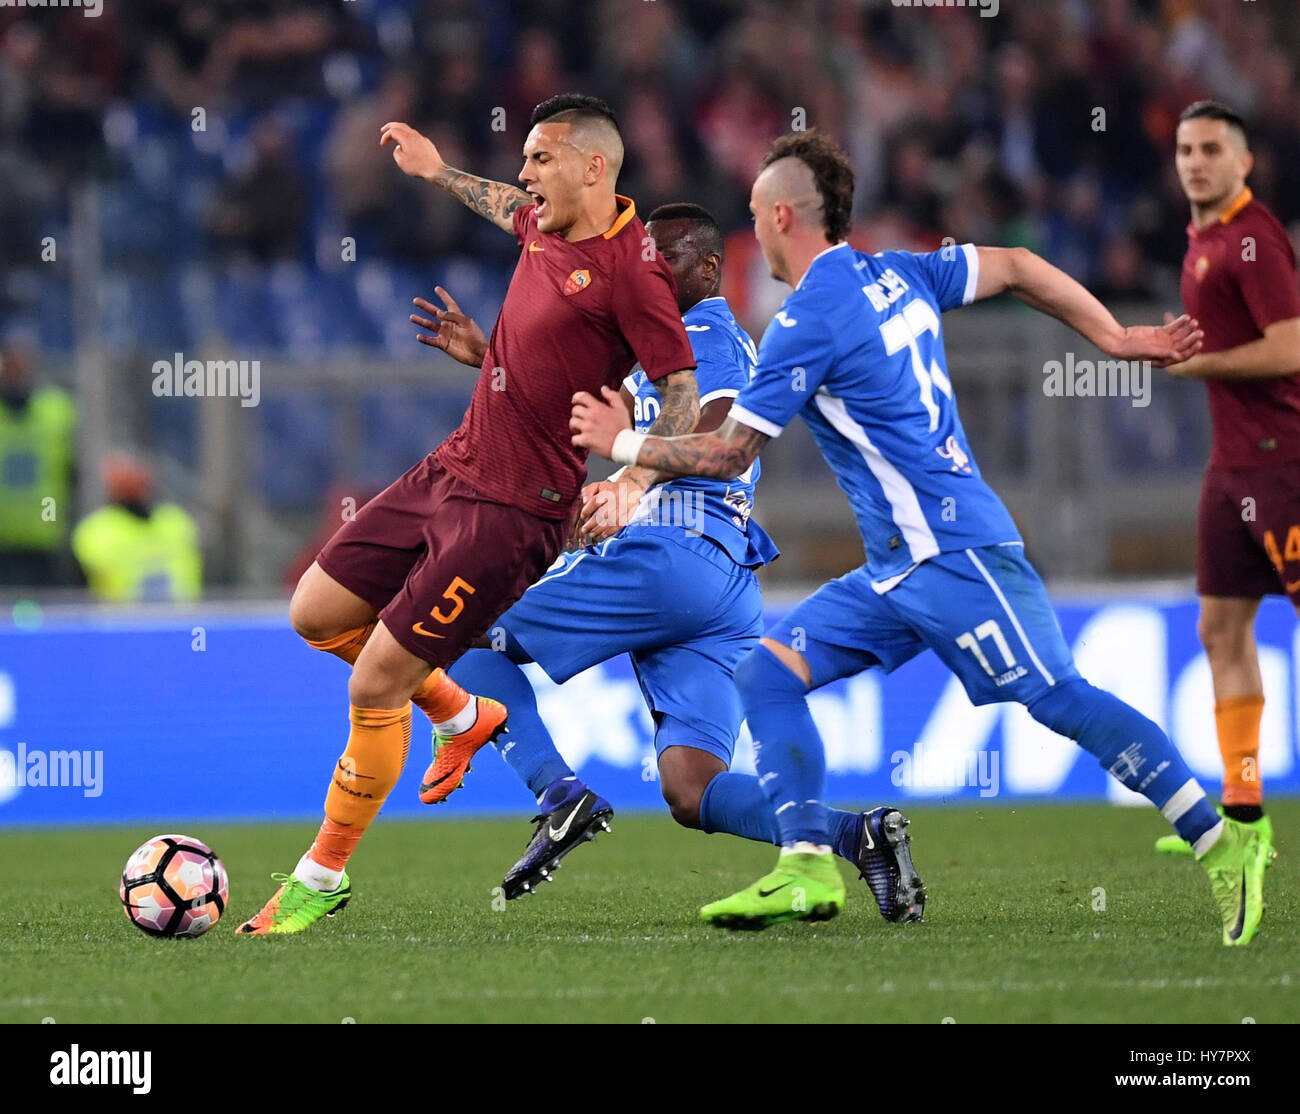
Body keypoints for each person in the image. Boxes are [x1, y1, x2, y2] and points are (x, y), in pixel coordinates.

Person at [571, 130, 1270, 947]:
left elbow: (727, 456)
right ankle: (804, 865)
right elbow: (1013, 264)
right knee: (767, 674)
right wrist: (1113, 337)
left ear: (785, 214)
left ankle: (1226, 841)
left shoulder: (808, 319)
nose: (753, 238)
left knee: (1061, 699)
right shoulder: (898, 270)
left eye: (758, 217)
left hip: (957, 553)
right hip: (899, 570)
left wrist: (621, 446)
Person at [238, 95, 701, 935]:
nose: (524, 177)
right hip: (451, 466)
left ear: (594, 167)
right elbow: (507, 212)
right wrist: (436, 171)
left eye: (540, 159)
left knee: (375, 683)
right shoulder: (546, 229)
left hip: (513, 514)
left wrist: (634, 482)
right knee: (315, 610)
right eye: (522, 159)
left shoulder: (634, 272)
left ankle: (321, 876)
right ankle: (462, 711)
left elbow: (681, 392)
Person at [416, 203, 924, 921]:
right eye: (642, 256)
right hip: (723, 583)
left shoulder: (706, 330)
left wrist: (636, 477)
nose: (648, 268)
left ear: (708, 269)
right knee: (692, 786)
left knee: (455, 628)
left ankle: (556, 792)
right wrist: (491, 363)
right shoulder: (654, 348)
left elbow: (720, 422)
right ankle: (857, 835)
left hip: (673, 551)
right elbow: (579, 409)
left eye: (665, 257)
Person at [1153, 101, 1300, 864]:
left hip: (1286, 464)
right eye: (1184, 149)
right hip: (1232, 467)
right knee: (1219, 630)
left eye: (1211, 148)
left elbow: (1289, 348)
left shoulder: (1252, 239)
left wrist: (1195, 365)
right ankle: (1243, 813)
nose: (1195, 161)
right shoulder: (1204, 237)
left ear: (1244, 162)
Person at [72, 453, 201, 602]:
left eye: (135, 476)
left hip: (182, 620)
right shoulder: (94, 532)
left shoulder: (177, 521)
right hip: (121, 623)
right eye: (124, 478)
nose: (131, 483)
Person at [0, 337, 75, 587]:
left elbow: (72, 469)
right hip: (4, 534)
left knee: (44, 611)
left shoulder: (56, 409)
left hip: (44, 529)